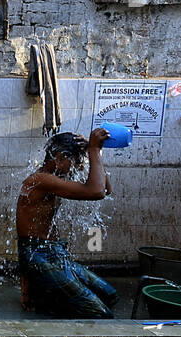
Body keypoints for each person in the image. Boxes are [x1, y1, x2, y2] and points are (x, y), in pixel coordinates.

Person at [16, 127, 118, 318]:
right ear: (59, 157)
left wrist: (92, 150)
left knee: (111, 296)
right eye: (77, 162)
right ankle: (49, 299)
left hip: (54, 252)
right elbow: (95, 191)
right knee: (101, 313)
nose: (80, 168)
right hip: (39, 257)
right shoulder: (41, 180)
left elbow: (105, 189)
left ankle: (49, 297)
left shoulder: (56, 178)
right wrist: (94, 150)